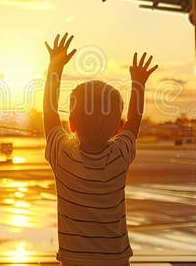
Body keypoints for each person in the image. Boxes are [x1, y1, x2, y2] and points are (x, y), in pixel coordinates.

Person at [43, 32, 158, 266]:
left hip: (73, 260)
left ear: (72, 123)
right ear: (118, 128)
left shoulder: (62, 155)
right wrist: (138, 83)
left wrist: (55, 67)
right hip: (116, 259)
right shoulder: (120, 156)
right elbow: (135, 119)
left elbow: (49, 112)